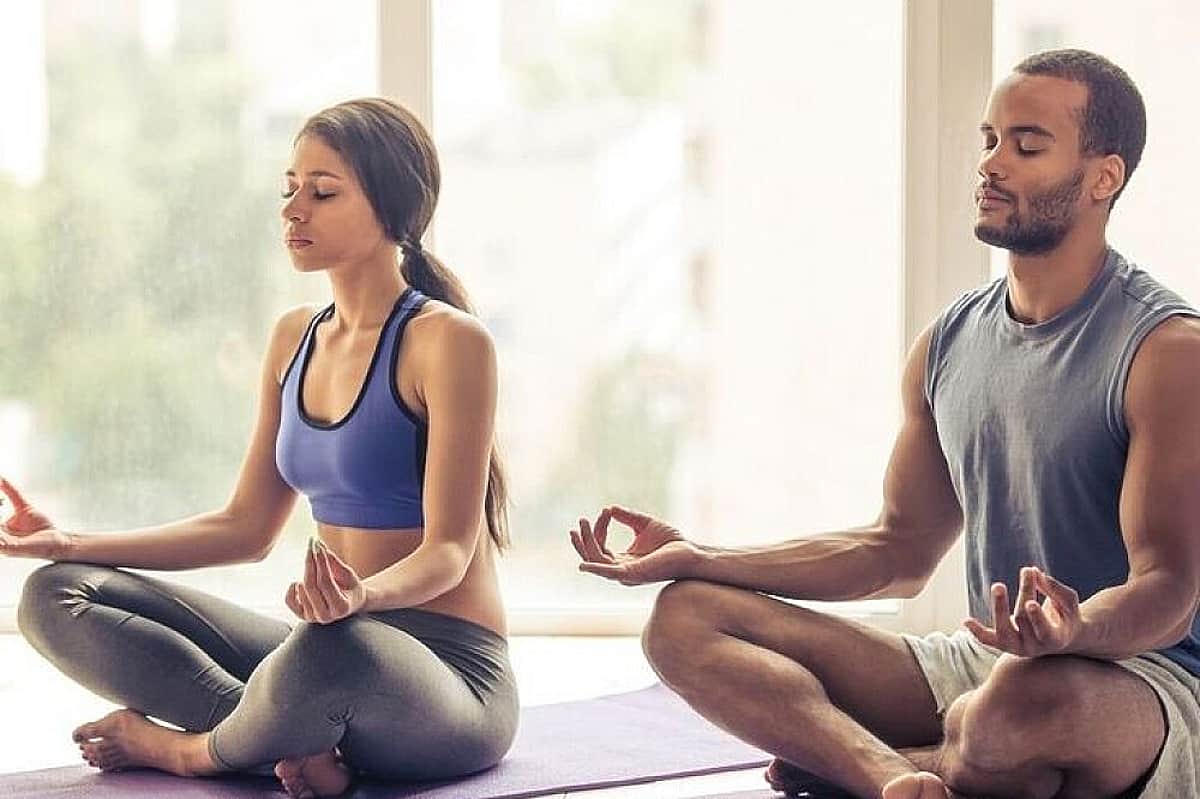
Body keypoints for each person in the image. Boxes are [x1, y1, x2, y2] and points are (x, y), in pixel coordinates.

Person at [571, 49, 1200, 799]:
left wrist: (1076, 632)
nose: (992, 164)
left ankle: (881, 762)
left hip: (1137, 681)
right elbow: (894, 549)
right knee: (682, 620)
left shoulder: (1167, 351)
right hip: (986, 666)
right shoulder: (948, 342)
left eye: (1027, 145)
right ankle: (893, 773)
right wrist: (700, 555)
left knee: (1013, 714)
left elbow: (1169, 589)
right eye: (989, 139)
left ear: (1104, 177)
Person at [1, 97, 517, 799]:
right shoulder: (293, 337)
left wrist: (362, 596)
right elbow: (243, 526)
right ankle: (294, 747)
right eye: (290, 188)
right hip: (327, 647)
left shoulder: (449, 342)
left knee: (328, 648)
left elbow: (451, 547)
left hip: (450, 680)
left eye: (322, 191)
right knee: (56, 594)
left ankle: (185, 751)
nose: (293, 209)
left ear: (393, 208)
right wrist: (69, 540)